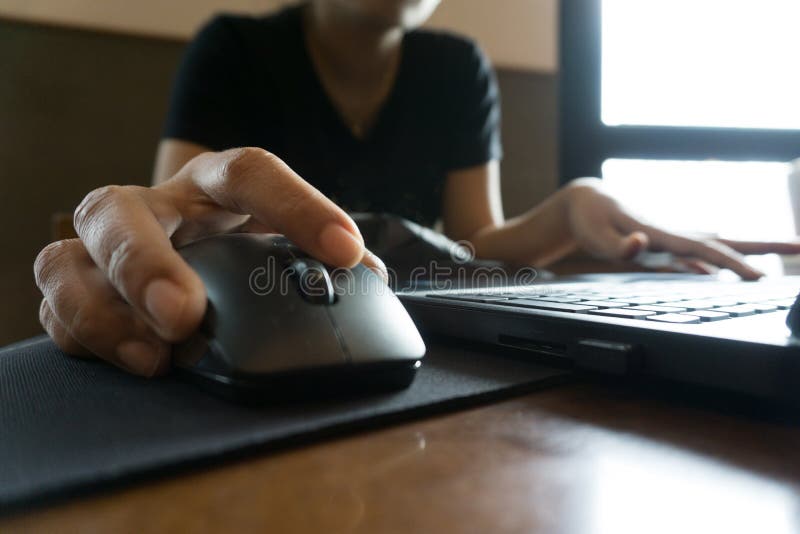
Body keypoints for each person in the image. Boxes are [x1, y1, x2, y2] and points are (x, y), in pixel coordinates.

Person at [33, 0, 800, 377]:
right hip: (274, 340)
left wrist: (566, 211)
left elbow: (471, 245)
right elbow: (178, 221)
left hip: (415, 345)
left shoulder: (457, 69)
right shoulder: (233, 50)